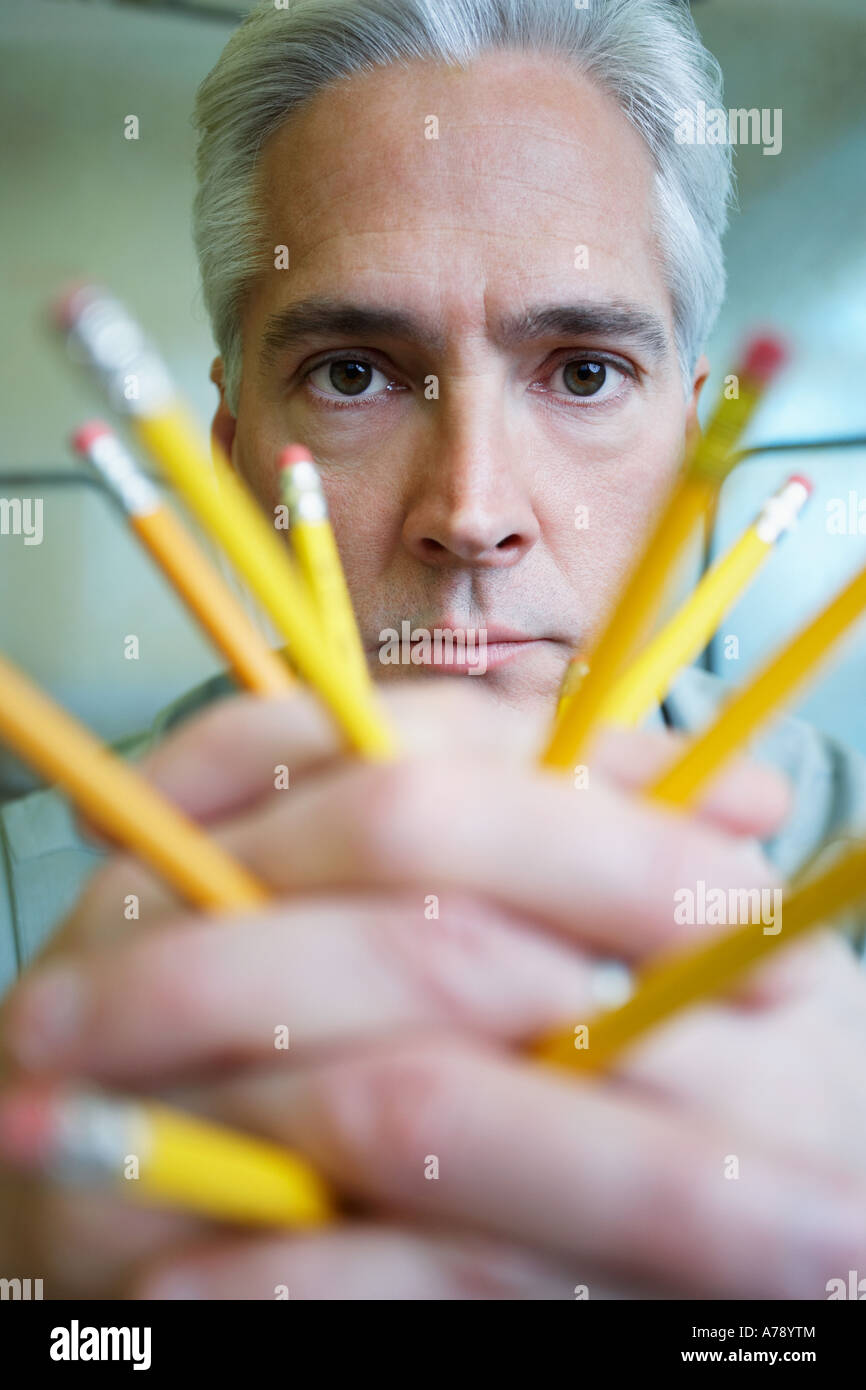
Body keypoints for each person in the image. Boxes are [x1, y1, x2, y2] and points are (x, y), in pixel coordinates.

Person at [1, 0, 865, 1300]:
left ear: (697, 449)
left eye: (579, 372)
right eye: (353, 373)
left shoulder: (834, 860)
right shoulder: (27, 913)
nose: (468, 512)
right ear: (230, 463)